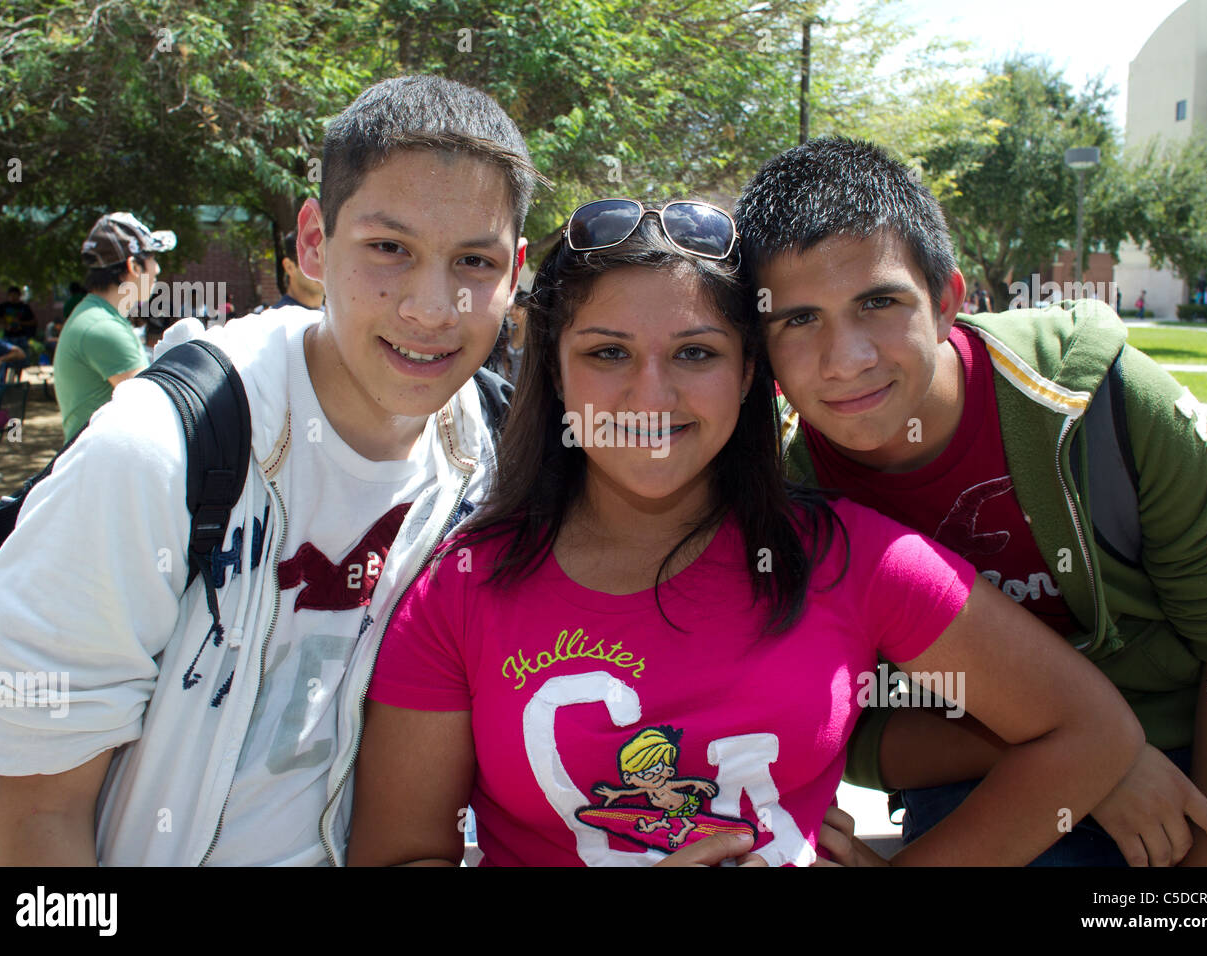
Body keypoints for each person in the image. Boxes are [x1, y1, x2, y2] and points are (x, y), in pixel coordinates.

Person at [348, 199, 1143, 868]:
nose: (649, 393)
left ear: (751, 373)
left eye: (696, 352)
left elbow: (1090, 730)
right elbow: (396, 854)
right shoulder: (458, 594)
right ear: (553, 372)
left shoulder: (850, 558)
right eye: (607, 353)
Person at [0, 74, 537, 867]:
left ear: (513, 272)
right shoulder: (161, 450)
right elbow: (39, 819)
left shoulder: (498, 459)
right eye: (388, 249)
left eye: (472, 261)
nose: (431, 306)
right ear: (313, 242)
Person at [734, 136, 1207, 867]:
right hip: (981, 762)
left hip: (1203, 740)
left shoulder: (1106, 404)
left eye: (879, 302)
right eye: (798, 319)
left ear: (948, 301)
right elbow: (850, 730)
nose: (846, 357)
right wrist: (1086, 757)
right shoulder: (787, 500)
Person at [51, 212, 171, 442]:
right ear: (134, 266)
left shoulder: (96, 316)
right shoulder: (103, 328)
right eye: (153, 257)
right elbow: (154, 411)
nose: (157, 269)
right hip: (104, 474)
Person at [273, 229, 325, 311]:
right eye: (315, 258)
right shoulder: (272, 321)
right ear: (289, 267)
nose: (324, 268)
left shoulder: (337, 320)